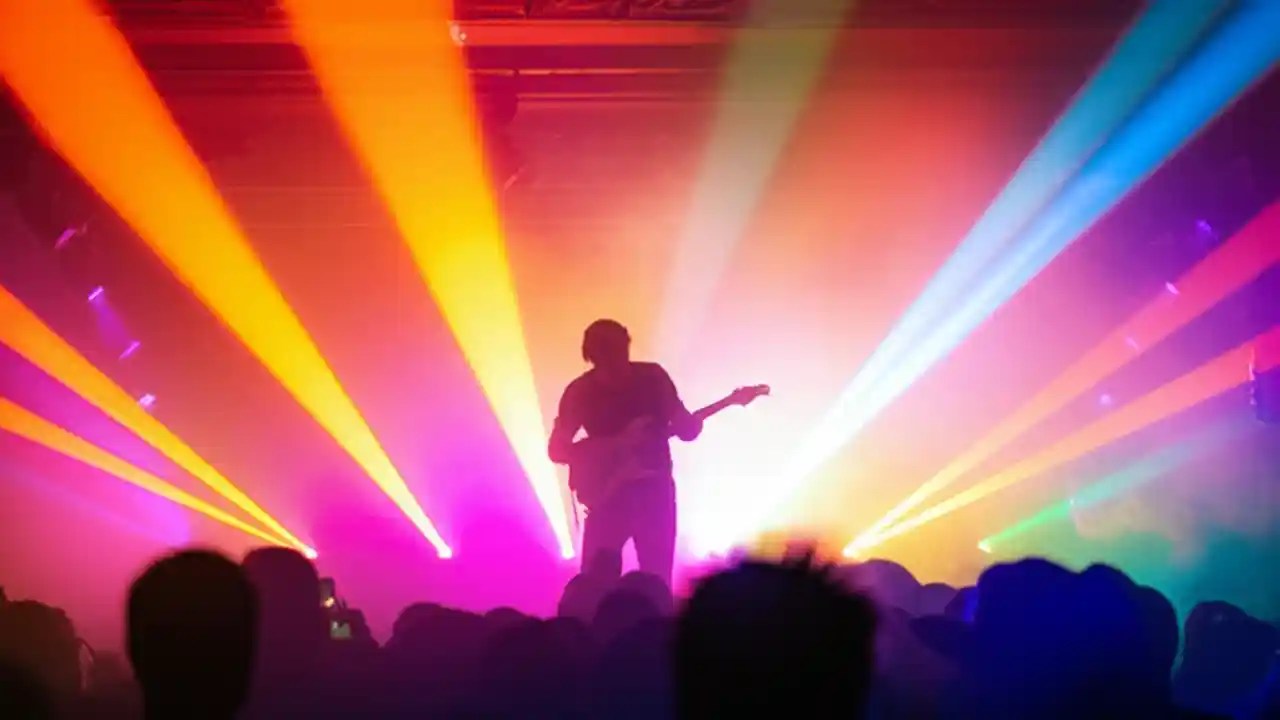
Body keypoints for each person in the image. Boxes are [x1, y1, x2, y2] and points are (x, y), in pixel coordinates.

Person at [549, 319, 702, 588]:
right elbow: (557, 450)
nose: (615, 364)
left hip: (653, 493)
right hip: (608, 496)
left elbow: (686, 429)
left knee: (655, 580)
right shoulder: (580, 392)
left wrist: (687, 425)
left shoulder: (653, 378)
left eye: (618, 353)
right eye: (606, 357)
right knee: (597, 583)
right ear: (592, 357)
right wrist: (615, 444)